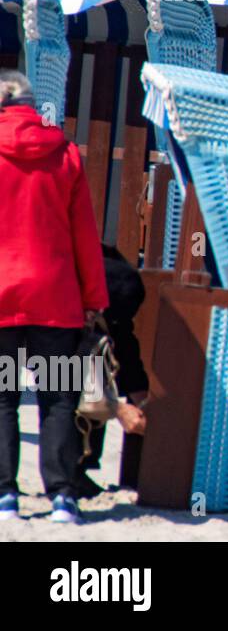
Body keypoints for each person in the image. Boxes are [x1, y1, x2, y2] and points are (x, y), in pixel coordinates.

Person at [0, 70, 108, 525]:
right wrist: (94, 298)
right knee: (58, 398)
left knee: (3, 397)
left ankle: (5, 497)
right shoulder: (65, 154)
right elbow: (84, 235)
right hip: (55, 299)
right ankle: (63, 497)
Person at [74, 245, 149, 499]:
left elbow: (124, 342)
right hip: (24, 322)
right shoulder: (72, 296)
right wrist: (118, 409)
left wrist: (144, 402)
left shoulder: (114, 279)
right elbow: (62, 371)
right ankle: (67, 473)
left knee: (104, 355)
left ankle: (80, 466)